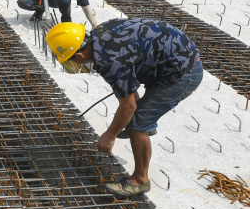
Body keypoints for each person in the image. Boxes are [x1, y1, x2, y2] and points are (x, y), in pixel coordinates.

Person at [45, 18, 202, 197]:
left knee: (136, 122)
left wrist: (110, 135)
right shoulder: (100, 33)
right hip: (176, 56)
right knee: (137, 116)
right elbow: (130, 85)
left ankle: (140, 180)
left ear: (80, 56)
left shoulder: (110, 60)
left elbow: (128, 106)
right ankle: (143, 128)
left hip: (183, 72)